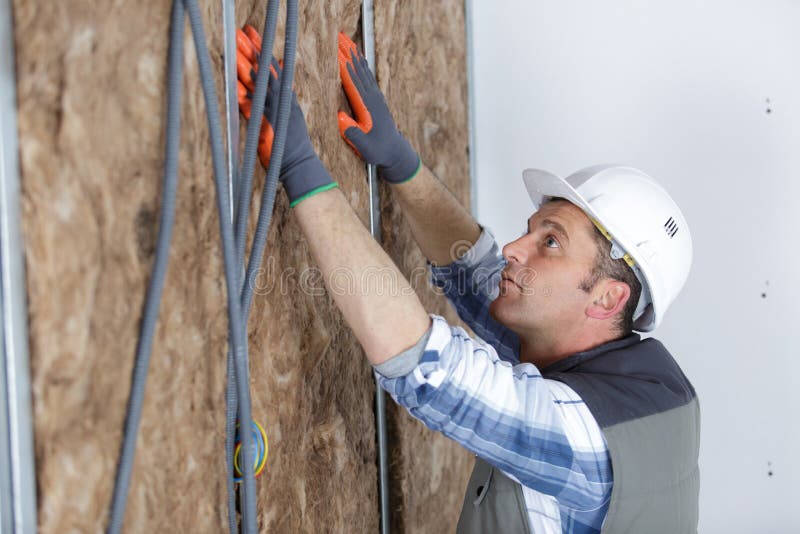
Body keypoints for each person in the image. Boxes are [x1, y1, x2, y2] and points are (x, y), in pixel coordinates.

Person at [236, 28, 700, 534]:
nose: (512, 250)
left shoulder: (589, 441)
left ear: (608, 297)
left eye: (551, 243)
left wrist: (302, 169)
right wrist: (402, 164)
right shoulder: (621, 364)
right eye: (532, 232)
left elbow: (431, 370)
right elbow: (483, 281)